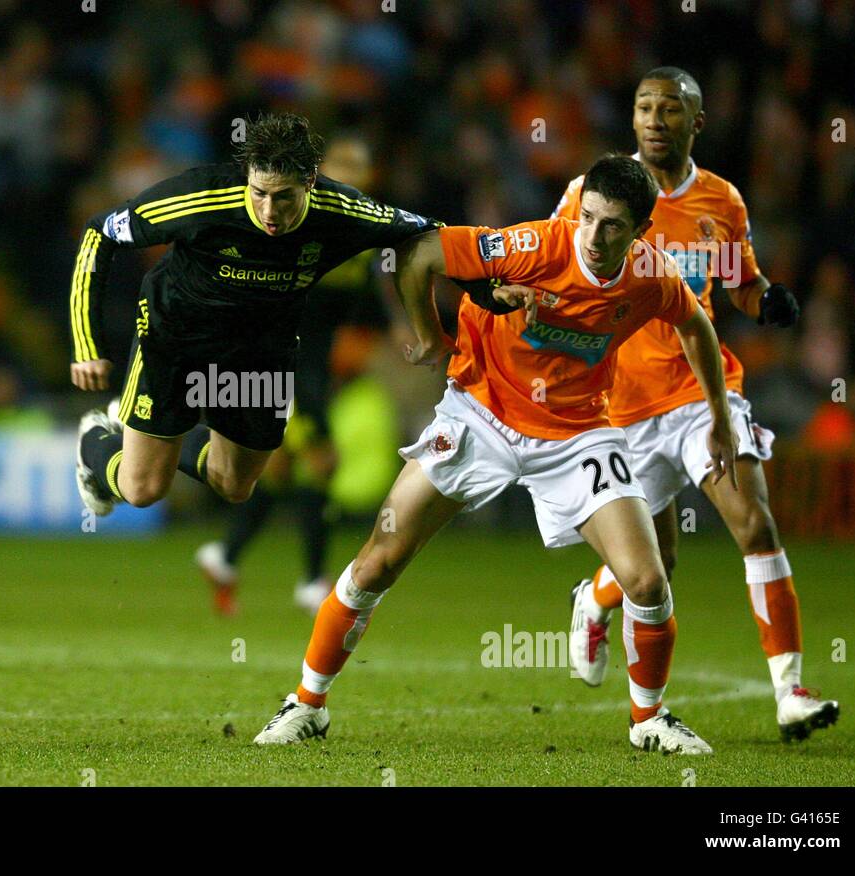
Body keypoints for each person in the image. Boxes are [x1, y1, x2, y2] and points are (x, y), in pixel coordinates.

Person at [256, 154, 735, 755]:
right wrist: (431, 336)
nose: (592, 234)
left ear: (639, 230)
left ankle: (648, 720)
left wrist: (718, 418)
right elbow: (422, 253)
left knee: (646, 578)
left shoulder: (651, 276)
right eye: (587, 216)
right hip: (481, 416)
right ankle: (307, 704)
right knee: (378, 560)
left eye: (612, 225)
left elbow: (697, 327)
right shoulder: (535, 244)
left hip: (578, 433)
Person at [546, 68, 837, 742]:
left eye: (670, 109)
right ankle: (592, 598)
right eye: (644, 106)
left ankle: (790, 691)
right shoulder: (597, 192)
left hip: (702, 392)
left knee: (755, 524)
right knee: (658, 566)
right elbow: (564, 268)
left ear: (695, 123)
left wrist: (763, 298)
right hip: (622, 402)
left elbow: (738, 280)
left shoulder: (720, 201)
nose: (654, 118)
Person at [69, 114, 452, 521]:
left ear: (309, 183)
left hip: (260, 349)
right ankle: (96, 438)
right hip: (176, 338)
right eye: (259, 193)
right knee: (143, 489)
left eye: (283, 196)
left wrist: (495, 285)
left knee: (234, 485)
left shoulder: (344, 211)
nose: (269, 210)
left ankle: (145, 433)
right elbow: (101, 234)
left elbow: (435, 236)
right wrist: (87, 346)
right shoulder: (201, 197)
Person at [193, 133, 396, 616]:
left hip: (307, 366)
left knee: (279, 472)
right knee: (320, 462)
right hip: (275, 362)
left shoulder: (360, 236)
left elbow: (360, 306)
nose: (353, 177)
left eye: (359, 168)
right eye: (342, 168)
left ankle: (226, 556)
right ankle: (309, 580)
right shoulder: (301, 229)